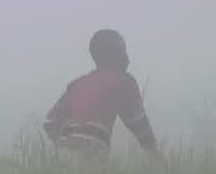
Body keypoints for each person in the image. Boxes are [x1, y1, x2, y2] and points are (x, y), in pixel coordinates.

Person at [43, 29, 159, 160]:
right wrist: (154, 153)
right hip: (92, 152)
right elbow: (138, 123)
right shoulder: (124, 81)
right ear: (114, 55)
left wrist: (64, 145)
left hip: (62, 153)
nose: (128, 58)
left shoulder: (77, 84)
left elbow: (50, 122)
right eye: (123, 51)